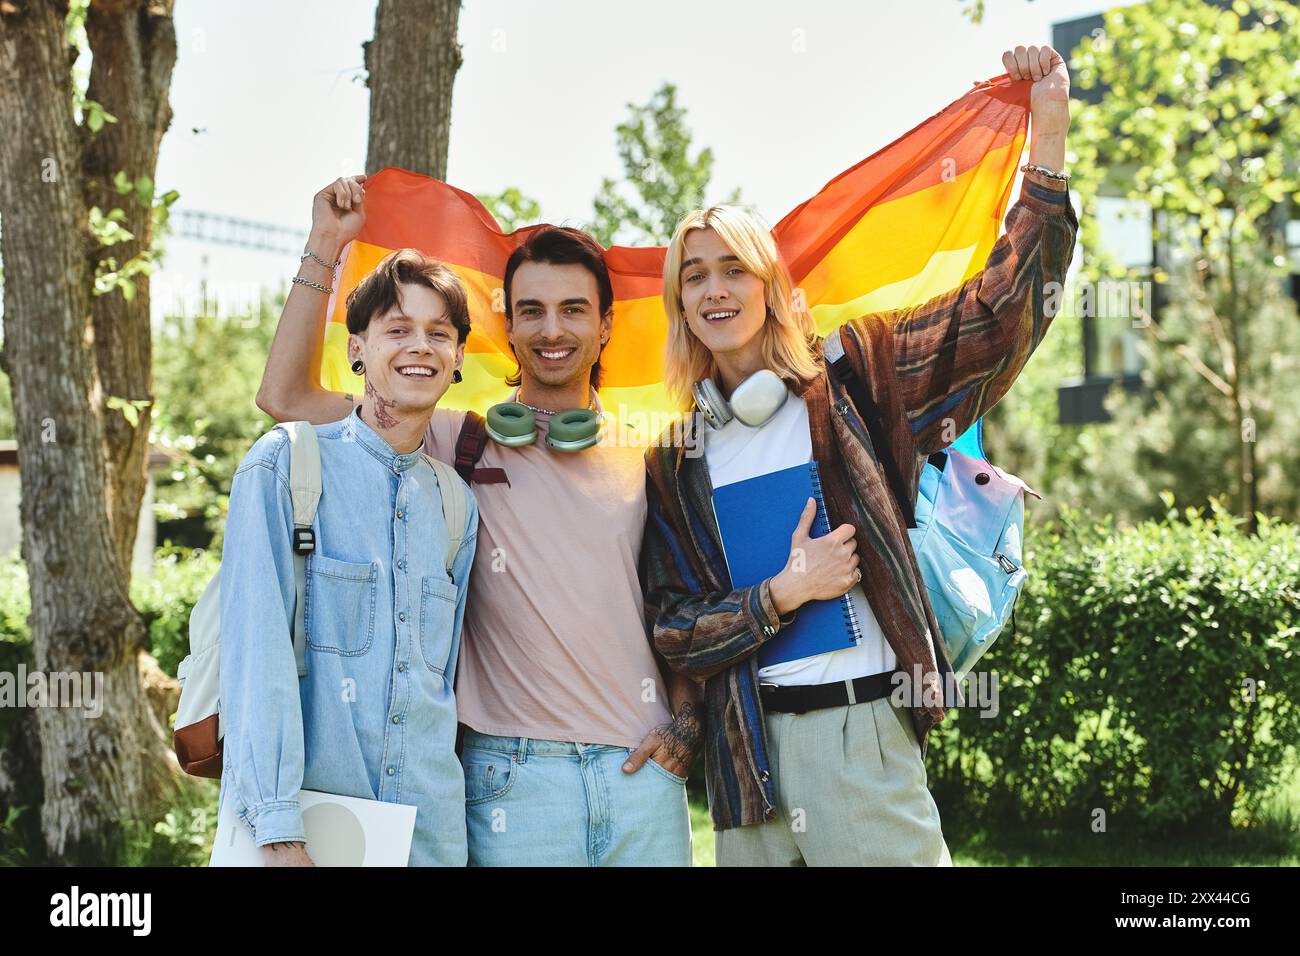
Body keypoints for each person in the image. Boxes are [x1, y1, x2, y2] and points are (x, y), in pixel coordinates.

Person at [641, 44, 1077, 865]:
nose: (714, 289)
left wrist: (1046, 137)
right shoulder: (676, 458)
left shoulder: (858, 377)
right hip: (749, 761)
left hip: (860, 737)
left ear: (771, 284)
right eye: (693, 276)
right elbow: (673, 628)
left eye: (734, 268)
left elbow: (998, 317)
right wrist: (779, 596)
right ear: (679, 306)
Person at [256, 183, 700, 866]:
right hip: (509, 783)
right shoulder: (451, 440)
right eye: (532, 312)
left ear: (605, 326)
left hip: (642, 779)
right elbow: (284, 397)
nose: (552, 330)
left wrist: (686, 723)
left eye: (573, 310)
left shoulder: (652, 452)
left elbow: (683, 598)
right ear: (509, 328)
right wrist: (325, 244)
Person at [220, 248, 478, 866]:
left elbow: (440, 686)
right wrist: (280, 832)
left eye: (438, 333)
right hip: (308, 832)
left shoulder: (455, 503)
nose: (420, 346)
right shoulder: (287, 465)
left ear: (459, 357)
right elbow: (257, 654)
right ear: (356, 348)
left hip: (428, 839)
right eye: (398, 329)